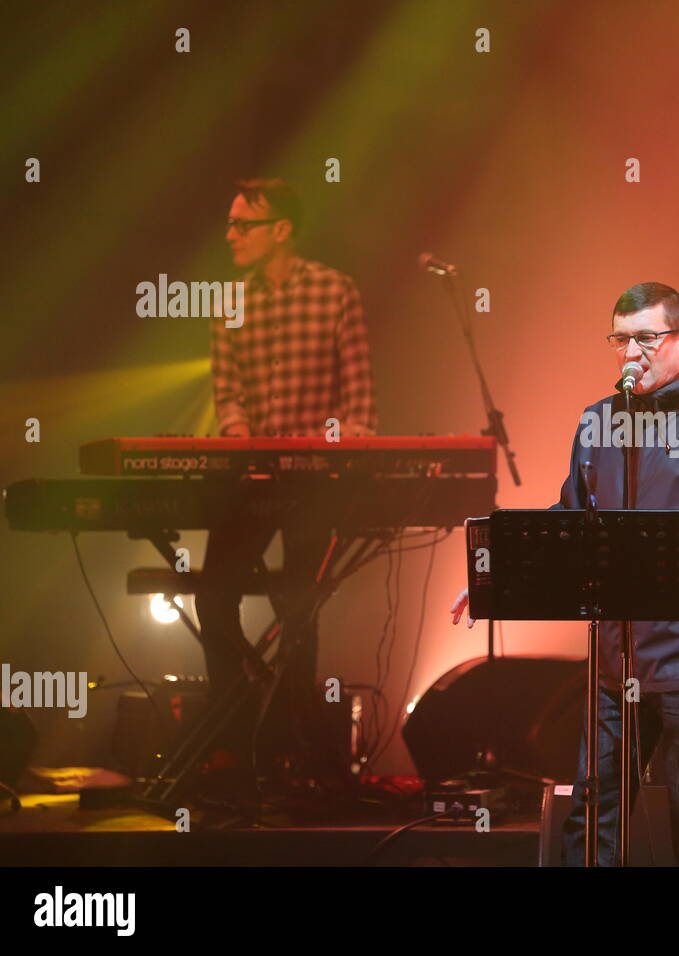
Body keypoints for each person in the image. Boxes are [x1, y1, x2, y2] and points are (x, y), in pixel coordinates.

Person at [452, 281, 679, 864]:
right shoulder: (600, 421)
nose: (631, 353)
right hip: (616, 661)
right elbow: (570, 518)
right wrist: (497, 565)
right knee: (593, 818)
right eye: (621, 340)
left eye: (646, 339)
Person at [196, 178, 377, 790]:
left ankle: (299, 753)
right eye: (230, 224)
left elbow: (359, 397)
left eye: (243, 225)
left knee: (299, 610)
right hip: (252, 476)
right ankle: (241, 732)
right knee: (212, 598)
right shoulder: (231, 302)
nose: (230, 236)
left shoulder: (334, 291)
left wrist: (344, 443)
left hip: (314, 479)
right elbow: (228, 396)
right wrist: (242, 436)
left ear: (281, 231)